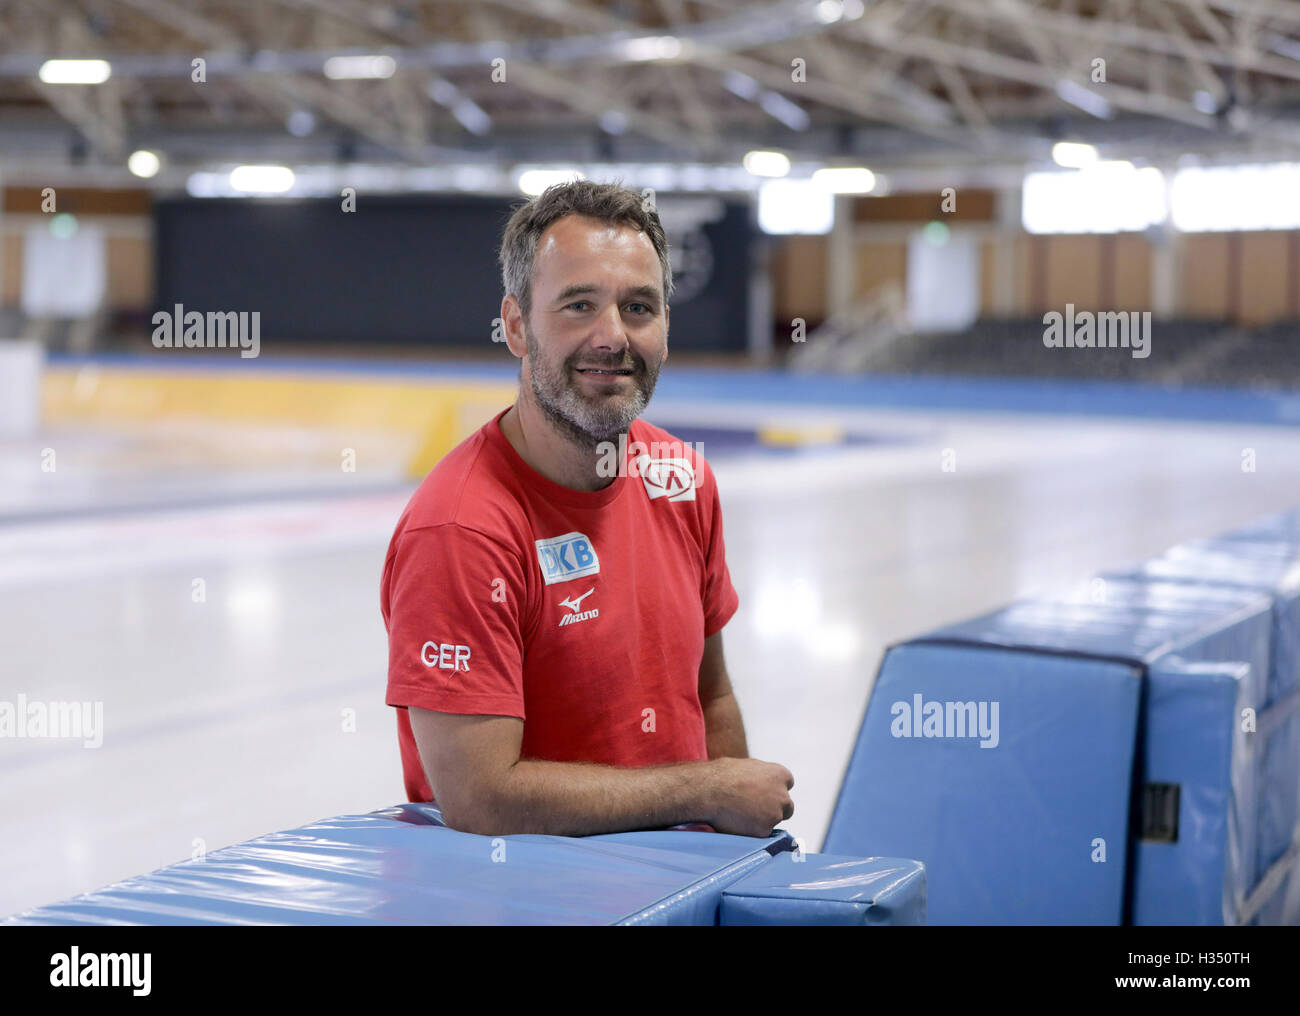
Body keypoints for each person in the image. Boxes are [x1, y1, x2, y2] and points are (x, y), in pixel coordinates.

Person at [381, 180, 794, 838]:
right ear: (517, 326)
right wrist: (708, 789)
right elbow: (481, 798)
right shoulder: (462, 530)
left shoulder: (680, 477)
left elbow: (710, 694)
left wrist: (734, 868)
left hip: (677, 895)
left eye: (638, 307)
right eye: (578, 305)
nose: (612, 338)